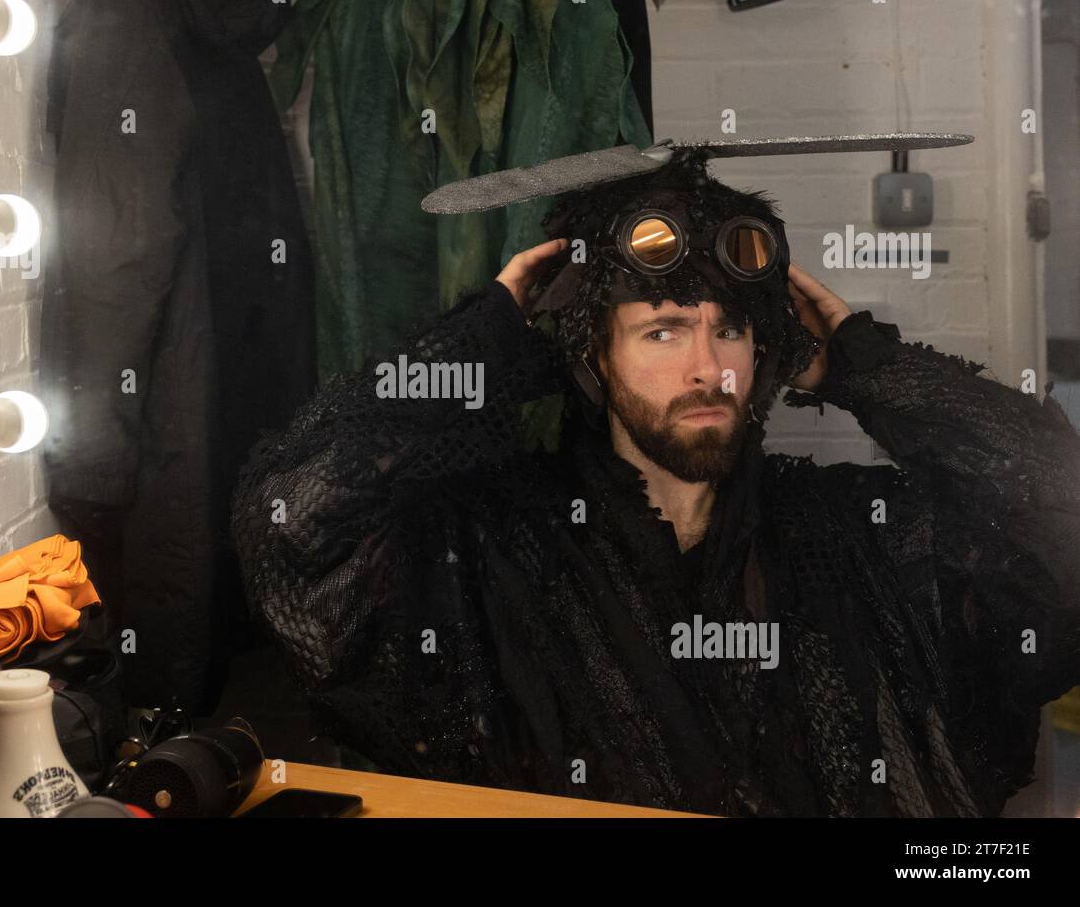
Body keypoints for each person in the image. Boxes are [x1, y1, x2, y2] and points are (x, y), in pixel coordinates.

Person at [231, 148, 1080, 816]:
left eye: (732, 331)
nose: (710, 370)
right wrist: (485, 342)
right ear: (593, 356)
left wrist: (867, 367)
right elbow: (290, 519)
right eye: (664, 331)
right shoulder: (490, 552)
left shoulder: (853, 537)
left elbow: (1061, 511)